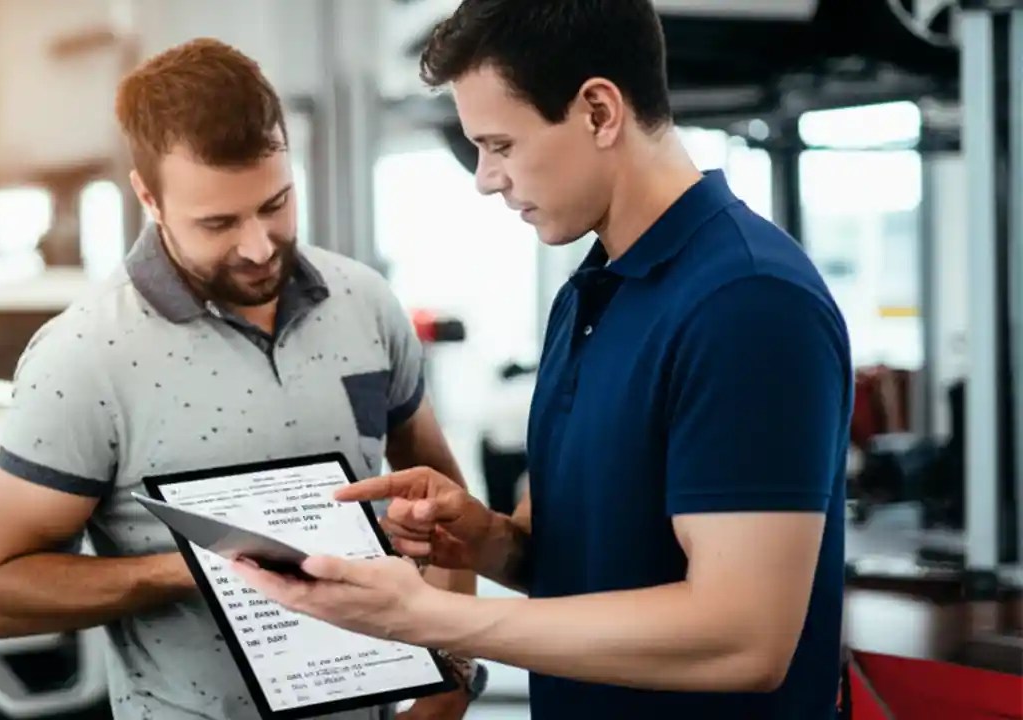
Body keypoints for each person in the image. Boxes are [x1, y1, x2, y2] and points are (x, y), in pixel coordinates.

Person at [232, 2, 854, 719]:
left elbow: (743, 639)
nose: (485, 179)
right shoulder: (593, 291)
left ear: (598, 111)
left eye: (499, 144)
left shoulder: (747, 302)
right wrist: (487, 539)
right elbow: (592, 572)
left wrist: (427, 618)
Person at [0, 38, 481, 720]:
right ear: (148, 197)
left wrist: (446, 696)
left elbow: (448, 512)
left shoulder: (365, 305)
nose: (257, 245)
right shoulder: (82, 356)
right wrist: (210, 565)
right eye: (218, 222)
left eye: (275, 204)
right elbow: (0, 597)